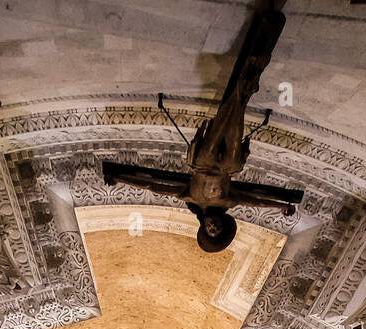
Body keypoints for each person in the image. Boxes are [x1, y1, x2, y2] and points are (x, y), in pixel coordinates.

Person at [101, 6, 300, 252]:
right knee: (235, 138)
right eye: (217, 230)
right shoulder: (228, 200)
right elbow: (255, 200)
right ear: (224, 225)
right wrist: (281, 204)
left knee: (231, 112)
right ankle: (246, 84)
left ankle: (245, 83)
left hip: (203, 161)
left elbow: (154, 185)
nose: (212, 228)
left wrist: (120, 178)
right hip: (229, 164)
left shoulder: (191, 197)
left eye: (209, 231)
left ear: (203, 227)